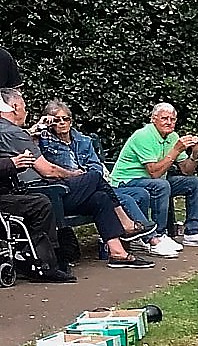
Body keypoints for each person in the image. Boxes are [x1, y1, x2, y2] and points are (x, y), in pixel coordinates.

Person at [27, 98, 156, 269]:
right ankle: (125, 223)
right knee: (95, 178)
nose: (62, 123)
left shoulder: (83, 140)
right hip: (59, 191)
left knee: (101, 198)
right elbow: (35, 155)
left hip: (83, 188)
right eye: (56, 120)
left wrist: (84, 176)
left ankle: (117, 253)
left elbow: (96, 166)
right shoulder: (44, 140)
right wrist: (39, 128)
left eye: (65, 119)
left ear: (71, 121)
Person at [110, 102, 198, 253]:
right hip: (127, 181)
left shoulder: (173, 137)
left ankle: (193, 232)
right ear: (153, 119)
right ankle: (159, 235)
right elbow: (154, 172)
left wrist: (195, 153)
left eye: (172, 119)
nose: (169, 122)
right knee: (161, 185)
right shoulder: (143, 136)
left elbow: (186, 170)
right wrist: (176, 150)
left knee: (194, 182)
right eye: (164, 118)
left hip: (154, 181)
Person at [0, 95, 72, 283]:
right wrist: (11, 163)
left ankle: (36, 256)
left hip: (9, 190)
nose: (26, 111)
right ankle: (44, 262)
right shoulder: (9, 131)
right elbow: (47, 170)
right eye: (24, 107)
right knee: (40, 204)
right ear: (15, 107)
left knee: (38, 199)